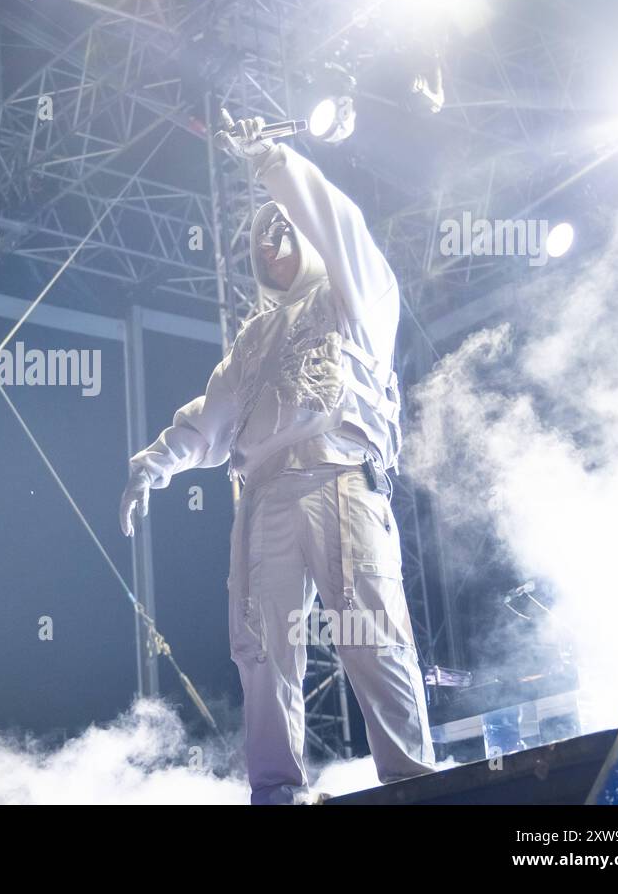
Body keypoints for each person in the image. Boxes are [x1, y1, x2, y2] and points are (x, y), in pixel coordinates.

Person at [119, 116, 435, 804]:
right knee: (261, 650)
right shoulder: (254, 339)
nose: (274, 242)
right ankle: (275, 790)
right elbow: (210, 420)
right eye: (262, 237)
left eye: (284, 228)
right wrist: (155, 463)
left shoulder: (357, 299)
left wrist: (272, 164)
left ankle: (412, 781)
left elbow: (337, 219)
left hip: (339, 479)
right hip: (263, 498)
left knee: (368, 630)